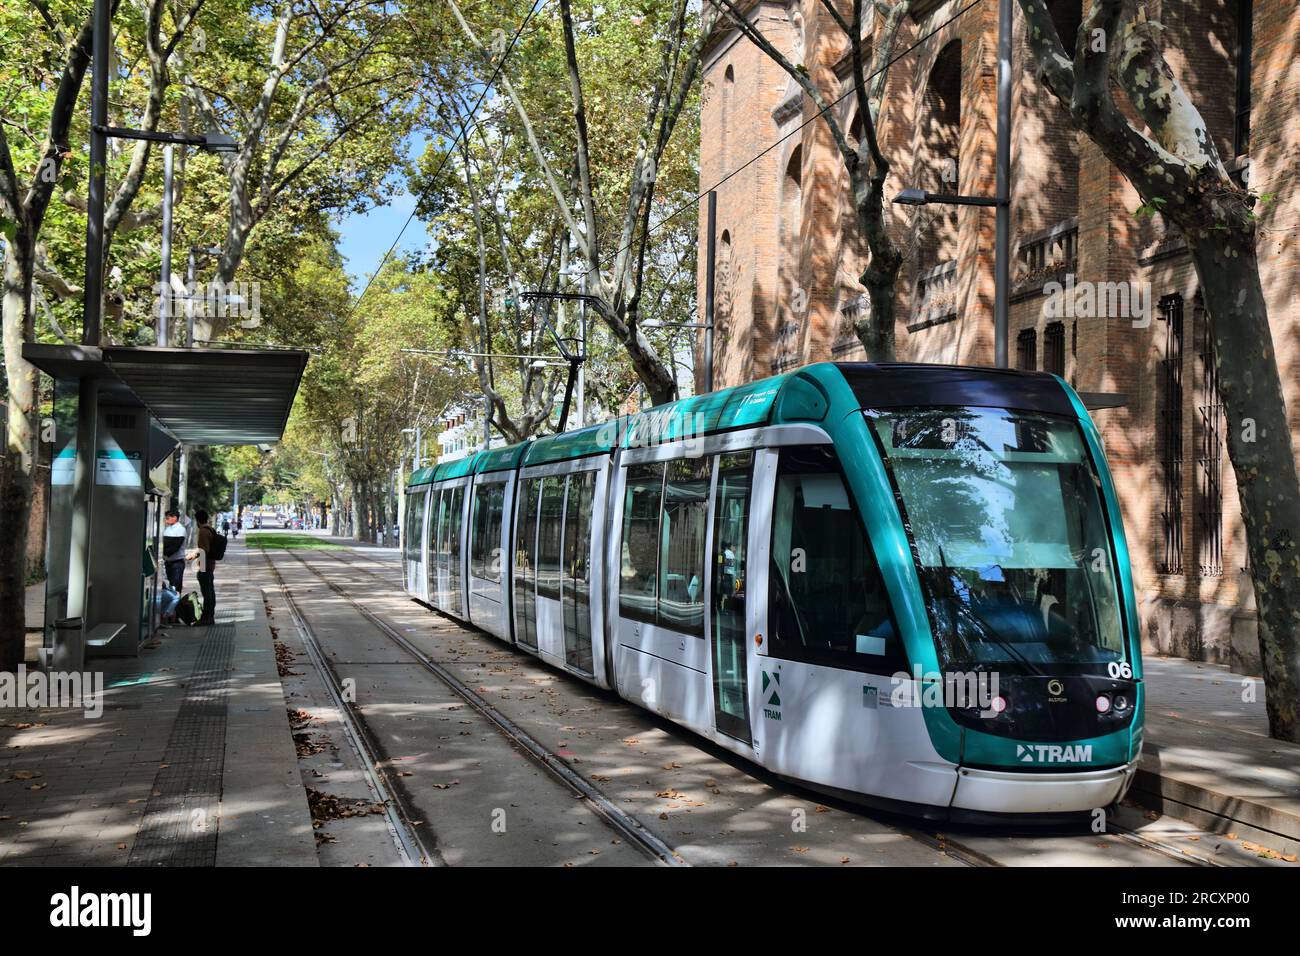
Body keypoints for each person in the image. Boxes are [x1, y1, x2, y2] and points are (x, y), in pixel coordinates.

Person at [195, 509, 217, 626]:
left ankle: (206, 618)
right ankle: (210, 616)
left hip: (205, 566)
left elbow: (204, 550)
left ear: (197, 520)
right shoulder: (210, 529)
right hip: (211, 565)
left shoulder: (203, 531)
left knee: (207, 593)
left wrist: (201, 568)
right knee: (210, 592)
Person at [162, 509, 188, 592]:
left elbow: (174, 547)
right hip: (168, 562)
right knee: (170, 586)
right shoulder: (167, 529)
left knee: (175, 587)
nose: (166, 520)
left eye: (168, 518)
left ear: (175, 518)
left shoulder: (180, 529)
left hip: (177, 563)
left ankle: (176, 604)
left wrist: (161, 552)